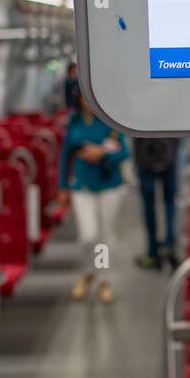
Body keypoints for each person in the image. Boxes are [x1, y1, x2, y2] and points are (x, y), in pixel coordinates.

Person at [58, 85, 130, 303]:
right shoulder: (74, 122)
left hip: (109, 186)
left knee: (104, 236)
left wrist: (102, 153)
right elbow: (65, 157)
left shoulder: (110, 123)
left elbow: (124, 153)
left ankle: (103, 279)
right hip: (82, 186)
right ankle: (88, 272)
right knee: (88, 235)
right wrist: (62, 186)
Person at [133, 136, 180, 270]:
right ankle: (170, 246)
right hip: (168, 152)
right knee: (170, 202)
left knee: (149, 206)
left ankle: (153, 252)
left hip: (145, 154)